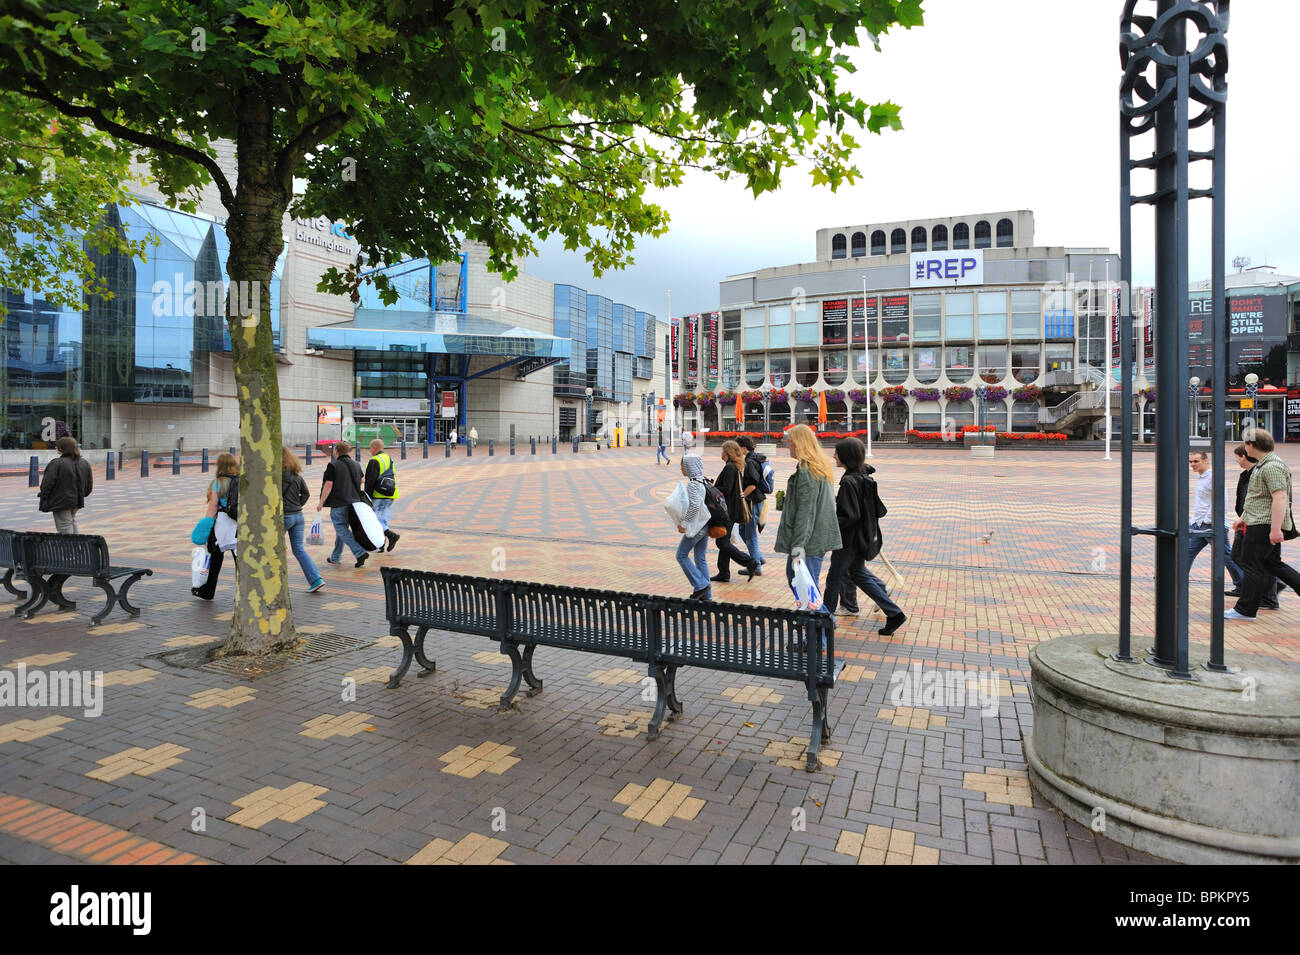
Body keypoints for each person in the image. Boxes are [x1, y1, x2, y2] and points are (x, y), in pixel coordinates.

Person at [822, 437, 906, 633]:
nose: (834, 455)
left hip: (848, 541)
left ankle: (824, 620)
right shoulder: (863, 476)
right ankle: (894, 614)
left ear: (846, 456)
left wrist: (831, 524)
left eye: (836, 452)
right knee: (859, 575)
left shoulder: (849, 481)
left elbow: (849, 515)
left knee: (834, 579)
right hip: (862, 538)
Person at [1226, 428, 1300, 621]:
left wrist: (1276, 529)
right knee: (1273, 564)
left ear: (1252, 445)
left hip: (1263, 525)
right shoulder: (1263, 465)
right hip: (1260, 521)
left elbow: (1280, 497)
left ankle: (1245, 610)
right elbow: (1259, 498)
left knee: (1251, 565)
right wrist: (1243, 518)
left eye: (1246, 443)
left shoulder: (1271, 466)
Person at [773, 424, 841, 612]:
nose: (788, 446)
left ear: (799, 444)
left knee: (805, 586)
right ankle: (819, 630)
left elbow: (806, 513)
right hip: (816, 536)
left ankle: (821, 632)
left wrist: (798, 546)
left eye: (790, 442)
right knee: (802, 582)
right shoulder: (818, 466)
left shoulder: (807, 471)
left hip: (809, 540)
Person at [1228, 444, 1280, 608]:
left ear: (1243, 456)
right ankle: (1266, 588)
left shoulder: (1261, 472)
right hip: (1247, 520)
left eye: (1236, 457)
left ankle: (1266, 595)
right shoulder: (1247, 474)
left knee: (1257, 562)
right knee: (1240, 556)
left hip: (1256, 522)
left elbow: (1271, 498)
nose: (1235, 460)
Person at [1186, 450, 1242, 591]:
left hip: (1212, 525)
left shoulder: (1213, 477)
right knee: (1187, 552)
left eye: (1196, 461)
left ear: (1206, 461)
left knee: (1227, 557)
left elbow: (1219, 501)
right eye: (1191, 461)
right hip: (1199, 525)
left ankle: (1244, 586)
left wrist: (1208, 521)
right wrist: (1196, 521)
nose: (1192, 464)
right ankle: (1177, 578)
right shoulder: (1202, 478)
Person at [710, 440, 760, 583]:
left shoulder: (730, 468)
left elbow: (727, 490)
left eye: (722, 451)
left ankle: (750, 562)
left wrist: (712, 488)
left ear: (727, 453)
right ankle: (724, 572)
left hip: (728, 511)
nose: (721, 453)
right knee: (723, 541)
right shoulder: (733, 467)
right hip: (731, 510)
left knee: (722, 542)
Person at [193, 452, 239, 600]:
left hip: (222, 524)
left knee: (215, 558)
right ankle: (243, 592)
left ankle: (208, 591)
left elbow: (212, 507)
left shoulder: (218, 483)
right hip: (239, 522)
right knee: (240, 559)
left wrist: (206, 524)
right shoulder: (242, 480)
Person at [317, 441, 368, 568]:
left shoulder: (333, 465)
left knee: (340, 528)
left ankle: (360, 552)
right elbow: (363, 479)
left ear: (336, 451)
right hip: (354, 503)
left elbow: (329, 484)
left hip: (339, 502)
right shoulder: (356, 464)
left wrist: (321, 502)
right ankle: (335, 557)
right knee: (342, 529)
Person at [282, 446, 323, 593]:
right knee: (299, 549)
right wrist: (298, 505)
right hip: (298, 516)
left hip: (283, 516)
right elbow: (306, 494)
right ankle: (315, 579)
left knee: (274, 548)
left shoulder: (274, 477)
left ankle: (274, 580)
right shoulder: (297, 476)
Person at [675, 454, 713, 600]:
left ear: (689, 467)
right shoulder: (703, 481)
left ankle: (701, 585)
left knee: (681, 555)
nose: (681, 469)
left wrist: (684, 524)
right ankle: (706, 596)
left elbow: (695, 506)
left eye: (682, 466)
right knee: (700, 557)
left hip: (697, 527)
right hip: (706, 525)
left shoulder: (693, 484)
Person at [38, 436, 93, 534]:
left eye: (57, 446)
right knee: (71, 521)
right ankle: (78, 546)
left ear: (63, 448)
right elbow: (89, 485)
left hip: (61, 501)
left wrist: (44, 496)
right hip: (77, 500)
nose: (55, 448)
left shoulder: (57, 463)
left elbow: (46, 484)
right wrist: (81, 494)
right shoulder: (84, 463)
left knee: (64, 526)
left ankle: (69, 548)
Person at [734, 435, 767, 575]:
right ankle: (757, 557)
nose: (736, 451)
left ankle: (756, 566)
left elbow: (752, 484)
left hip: (753, 501)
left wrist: (742, 496)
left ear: (743, 447)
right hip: (756, 500)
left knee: (750, 534)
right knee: (743, 530)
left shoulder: (749, 461)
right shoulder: (755, 458)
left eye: (737, 448)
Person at [364, 438, 400, 552]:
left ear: (374, 448)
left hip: (378, 495)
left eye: (370, 448)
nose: (370, 451)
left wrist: (367, 498)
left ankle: (391, 536)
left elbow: (370, 482)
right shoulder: (388, 458)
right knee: (383, 519)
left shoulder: (374, 460)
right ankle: (381, 545)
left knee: (376, 521)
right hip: (390, 493)